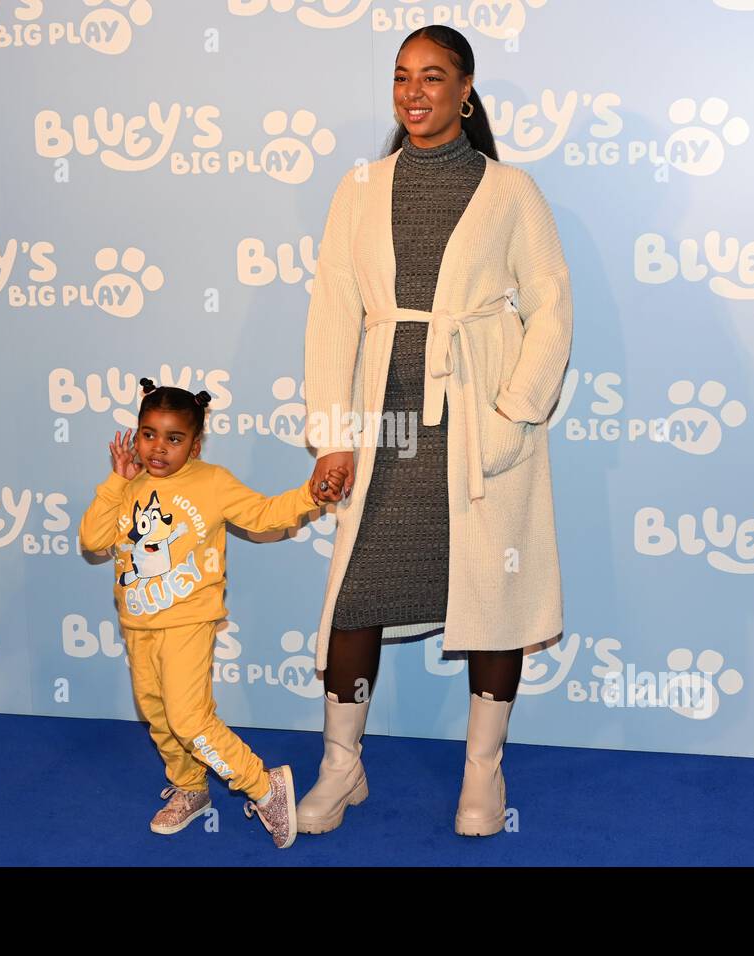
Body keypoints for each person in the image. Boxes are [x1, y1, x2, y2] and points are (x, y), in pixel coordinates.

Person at [299, 25, 573, 836]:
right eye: (401, 78)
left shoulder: (511, 190)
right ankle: (341, 768)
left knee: (494, 592)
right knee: (358, 592)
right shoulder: (360, 186)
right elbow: (331, 310)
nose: (414, 93)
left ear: (466, 90)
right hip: (390, 416)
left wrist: (512, 414)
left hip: (481, 412)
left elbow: (552, 307)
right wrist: (332, 433)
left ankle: (482, 773)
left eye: (433, 77)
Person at [79, 378, 346, 849]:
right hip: (138, 624)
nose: (158, 448)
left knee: (189, 717)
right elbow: (94, 540)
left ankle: (265, 787)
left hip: (188, 621)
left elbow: (264, 515)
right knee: (157, 714)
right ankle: (191, 788)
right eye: (148, 434)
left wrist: (310, 496)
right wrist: (116, 481)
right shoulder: (126, 485)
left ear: (195, 445)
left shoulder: (212, 482)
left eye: (174, 438)